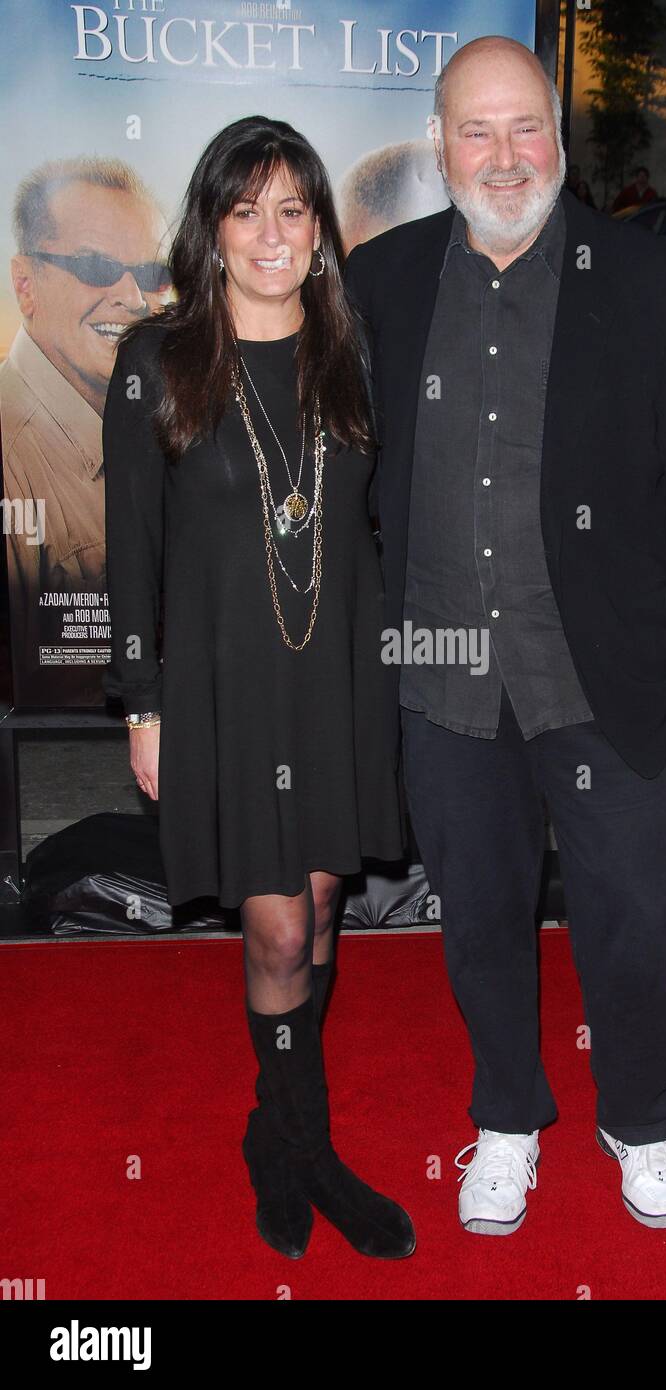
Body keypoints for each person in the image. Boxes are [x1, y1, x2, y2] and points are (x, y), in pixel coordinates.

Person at [344, 36, 666, 1237]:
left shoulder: (652, 285)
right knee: (477, 917)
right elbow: (342, 466)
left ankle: (641, 1120)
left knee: (633, 921)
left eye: (526, 127)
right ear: (439, 143)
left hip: (603, 669)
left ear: (558, 140)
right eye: (477, 130)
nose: (505, 155)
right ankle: (508, 1120)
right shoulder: (382, 280)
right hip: (445, 681)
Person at [101, 115, 415, 1262]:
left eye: (293, 209)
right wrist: (145, 704)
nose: (271, 234)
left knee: (323, 908)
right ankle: (303, 1149)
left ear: (320, 229)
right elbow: (131, 548)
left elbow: (382, 519)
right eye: (247, 211)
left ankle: (273, 1122)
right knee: (279, 928)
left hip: (340, 676)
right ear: (213, 227)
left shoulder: (353, 350)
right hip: (228, 684)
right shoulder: (160, 359)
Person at [0, 156, 171, 705]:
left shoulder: (160, 423)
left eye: (151, 273)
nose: (133, 297)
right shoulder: (11, 453)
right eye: (96, 266)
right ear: (25, 284)